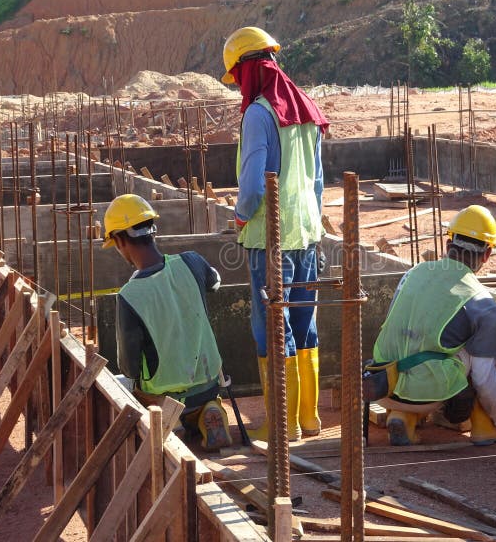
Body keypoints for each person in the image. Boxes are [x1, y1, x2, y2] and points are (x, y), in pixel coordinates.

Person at [220, 26, 328, 441]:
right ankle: (308, 417)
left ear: (245, 71)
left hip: (270, 237)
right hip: (306, 234)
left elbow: (251, 188)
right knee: (304, 321)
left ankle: (282, 425)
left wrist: (242, 218)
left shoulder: (259, 114)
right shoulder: (307, 109)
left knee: (272, 324)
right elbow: (318, 182)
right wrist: (310, 223)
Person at [372, 205, 496, 446]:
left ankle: (402, 417)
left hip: (382, 383)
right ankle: (484, 426)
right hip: (426, 393)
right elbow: (483, 378)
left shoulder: (413, 273)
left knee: (417, 345)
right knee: (483, 357)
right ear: (487, 254)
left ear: (447, 245)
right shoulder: (481, 301)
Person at [103, 194, 232, 450]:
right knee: (202, 398)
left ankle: (171, 424)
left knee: (131, 388)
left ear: (119, 239)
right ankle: (209, 409)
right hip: (208, 384)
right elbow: (215, 282)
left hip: (164, 394)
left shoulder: (130, 295)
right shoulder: (191, 261)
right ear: (152, 229)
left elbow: (129, 367)